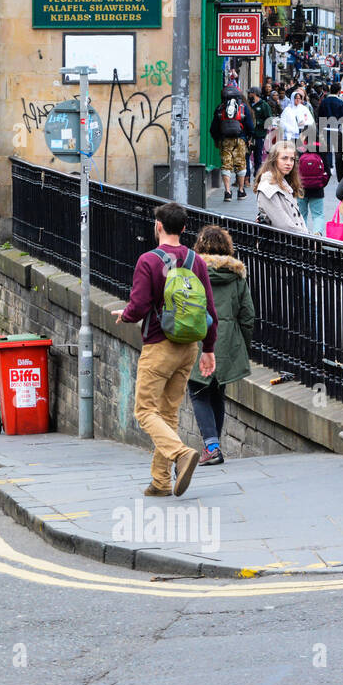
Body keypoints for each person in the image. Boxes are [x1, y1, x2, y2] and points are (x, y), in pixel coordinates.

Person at [113, 202, 218, 498]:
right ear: (184, 229)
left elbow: (140, 304)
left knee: (145, 410)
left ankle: (181, 453)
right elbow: (209, 309)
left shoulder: (148, 260)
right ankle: (160, 481)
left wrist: (126, 316)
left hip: (160, 346)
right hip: (189, 348)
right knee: (168, 414)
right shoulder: (195, 261)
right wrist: (208, 349)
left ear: (158, 226)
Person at [186, 226, 254, 466]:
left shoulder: (191, 271)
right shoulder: (236, 275)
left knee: (197, 391)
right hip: (227, 342)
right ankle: (214, 445)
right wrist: (242, 347)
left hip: (198, 337)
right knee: (217, 393)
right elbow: (247, 315)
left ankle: (212, 447)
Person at [254, 141, 310, 234]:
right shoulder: (267, 186)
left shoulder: (284, 180)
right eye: (284, 158)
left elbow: (298, 218)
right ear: (274, 160)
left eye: (292, 159)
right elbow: (284, 225)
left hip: (295, 240)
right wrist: (309, 240)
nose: (289, 163)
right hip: (281, 243)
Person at [296, 142, 331, 235]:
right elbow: (328, 172)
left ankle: (302, 234)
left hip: (301, 188)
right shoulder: (321, 151)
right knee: (318, 215)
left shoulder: (300, 149)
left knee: (301, 214)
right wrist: (321, 184)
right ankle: (317, 234)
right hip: (317, 189)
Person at [317, 81, 343, 175]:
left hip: (326, 127)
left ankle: (329, 165)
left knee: (327, 148)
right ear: (338, 91)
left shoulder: (324, 102)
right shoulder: (340, 102)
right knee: (338, 149)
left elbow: (320, 115)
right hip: (337, 128)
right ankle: (337, 166)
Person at [247, 88, 271, 178]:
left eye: (250, 93)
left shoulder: (264, 105)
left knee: (258, 157)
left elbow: (269, 120)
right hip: (248, 136)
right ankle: (246, 177)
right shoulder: (248, 105)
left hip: (259, 135)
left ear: (254, 94)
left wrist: (257, 122)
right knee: (246, 156)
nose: (249, 95)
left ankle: (257, 176)